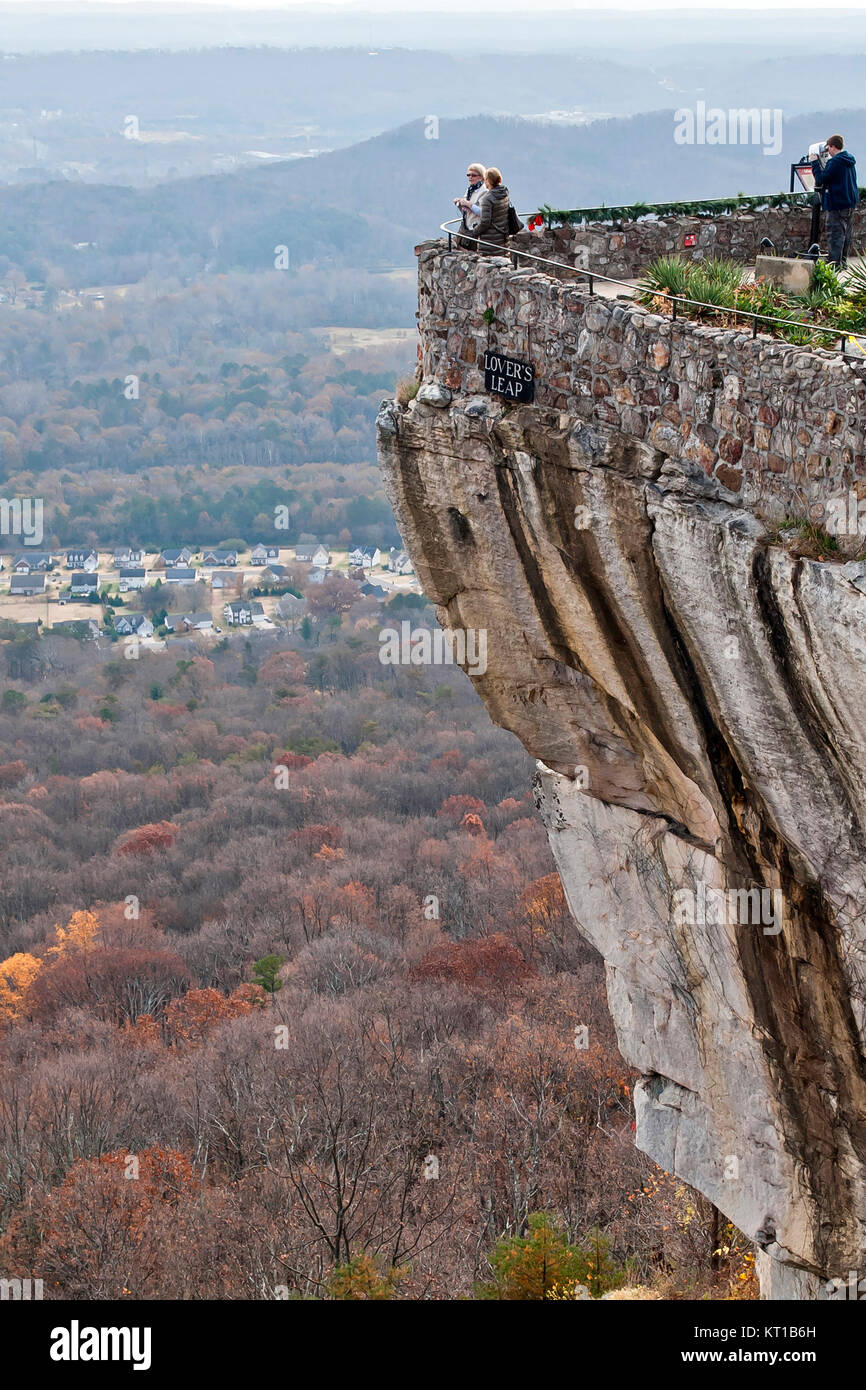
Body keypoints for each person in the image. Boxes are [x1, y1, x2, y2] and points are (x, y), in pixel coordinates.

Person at [812, 135, 858, 267]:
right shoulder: (849, 159)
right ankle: (843, 263)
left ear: (833, 147)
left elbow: (821, 179)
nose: (828, 152)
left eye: (828, 148)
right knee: (846, 235)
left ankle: (834, 264)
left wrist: (815, 162)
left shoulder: (835, 162)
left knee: (835, 235)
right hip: (849, 202)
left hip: (836, 203)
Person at [475, 167, 511, 253]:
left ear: (487, 180)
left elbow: (485, 222)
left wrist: (474, 232)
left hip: (489, 243)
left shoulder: (487, 199)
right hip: (503, 239)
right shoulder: (504, 192)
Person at [453, 163, 486, 248]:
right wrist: (460, 204)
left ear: (481, 177)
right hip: (466, 228)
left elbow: (484, 212)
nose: (470, 177)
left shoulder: (484, 191)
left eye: (473, 175)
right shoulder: (470, 189)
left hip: (476, 230)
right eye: (468, 175)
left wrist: (469, 205)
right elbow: (466, 211)